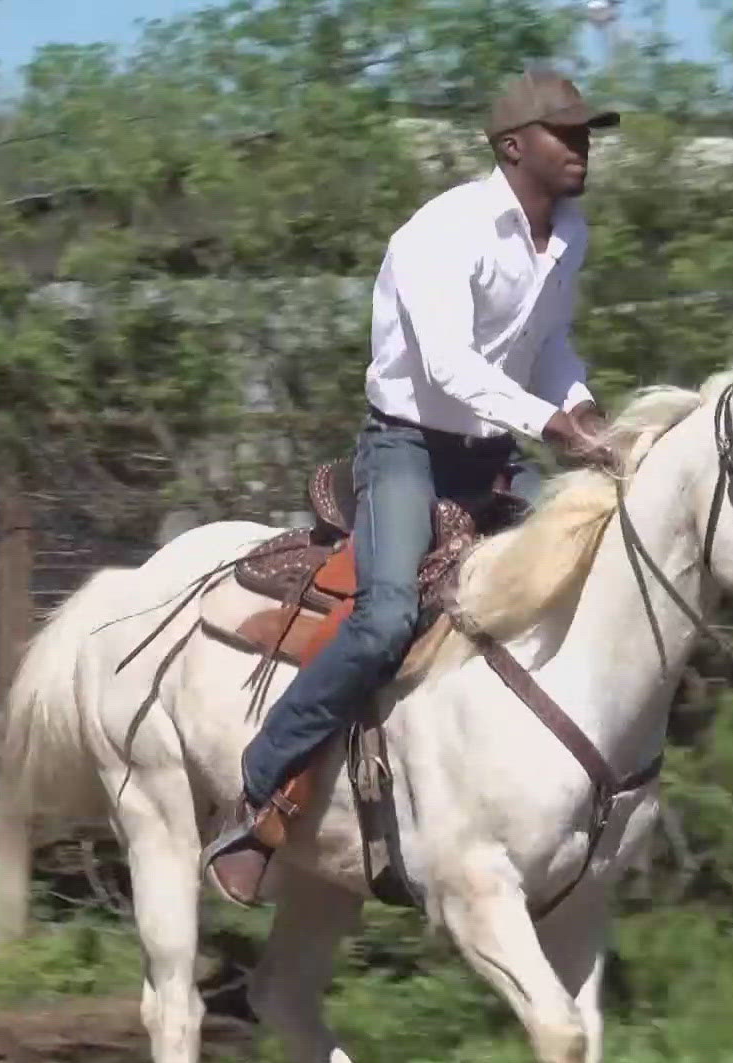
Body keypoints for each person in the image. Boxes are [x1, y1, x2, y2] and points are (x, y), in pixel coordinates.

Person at [202, 69, 621, 907]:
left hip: (492, 450)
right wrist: (554, 426)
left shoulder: (567, 233)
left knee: (597, 574)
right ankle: (264, 782)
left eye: (585, 133)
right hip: (406, 450)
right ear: (512, 146)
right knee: (388, 614)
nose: (581, 146)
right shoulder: (444, 230)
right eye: (564, 132)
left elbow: (549, 346)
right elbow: (449, 367)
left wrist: (584, 409)